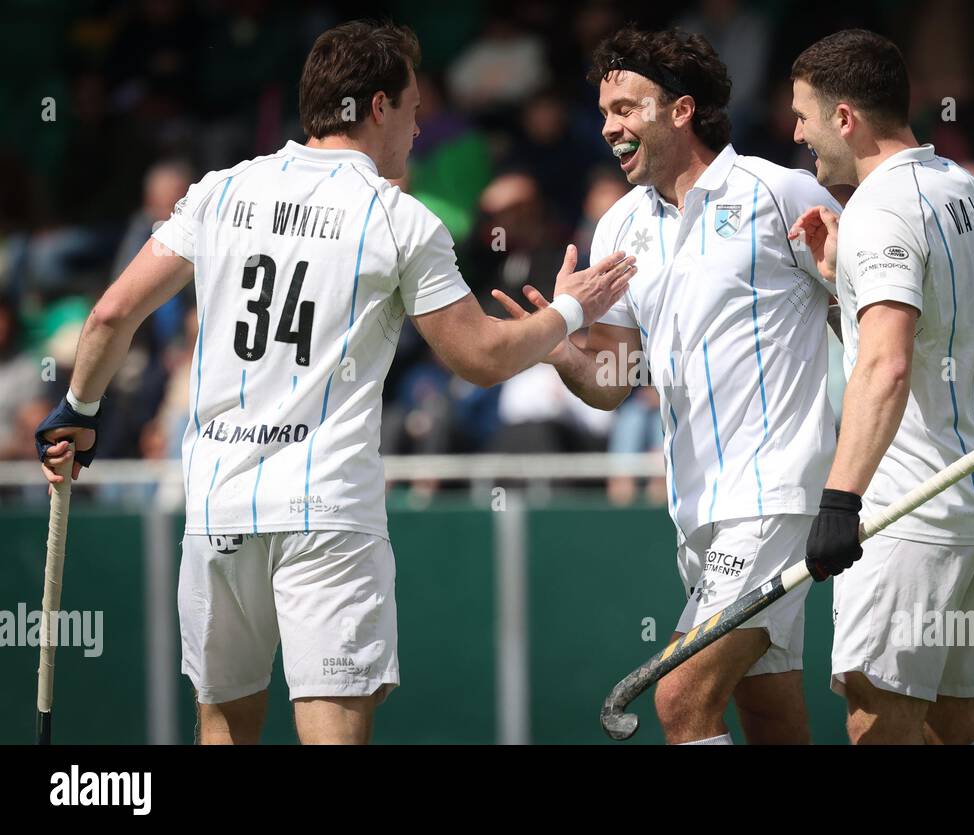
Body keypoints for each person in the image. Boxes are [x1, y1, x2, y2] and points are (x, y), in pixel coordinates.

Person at [33, 20, 634, 745]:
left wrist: (78, 410)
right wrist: (573, 307)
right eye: (413, 111)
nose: (418, 131)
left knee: (224, 733)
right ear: (378, 108)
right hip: (326, 513)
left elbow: (107, 317)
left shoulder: (222, 190)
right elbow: (481, 358)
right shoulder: (399, 219)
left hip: (219, 507)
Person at [495, 26, 839, 744]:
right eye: (603, 111)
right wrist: (561, 343)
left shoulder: (782, 192)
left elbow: (862, 314)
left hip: (776, 495)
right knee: (771, 715)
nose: (609, 126)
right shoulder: (618, 225)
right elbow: (614, 383)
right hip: (696, 512)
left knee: (680, 699)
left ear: (681, 111)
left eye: (626, 107)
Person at [788, 29, 974, 744]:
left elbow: (886, 364)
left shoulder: (878, 208)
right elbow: (923, 338)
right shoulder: (972, 191)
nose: (797, 133)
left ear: (846, 117)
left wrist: (839, 499)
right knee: (948, 722)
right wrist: (842, 285)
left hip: (910, 508)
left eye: (803, 115)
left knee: (877, 718)